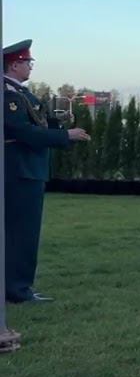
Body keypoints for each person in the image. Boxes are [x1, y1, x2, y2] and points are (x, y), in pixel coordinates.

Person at [4, 39, 90, 304]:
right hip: (20, 170)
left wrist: (57, 123)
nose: (31, 67)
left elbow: (38, 121)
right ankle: (17, 290)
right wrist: (65, 136)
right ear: (14, 64)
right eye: (27, 62)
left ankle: (17, 286)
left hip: (27, 169)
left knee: (21, 233)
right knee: (22, 234)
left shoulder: (20, 93)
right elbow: (23, 132)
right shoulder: (9, 95)